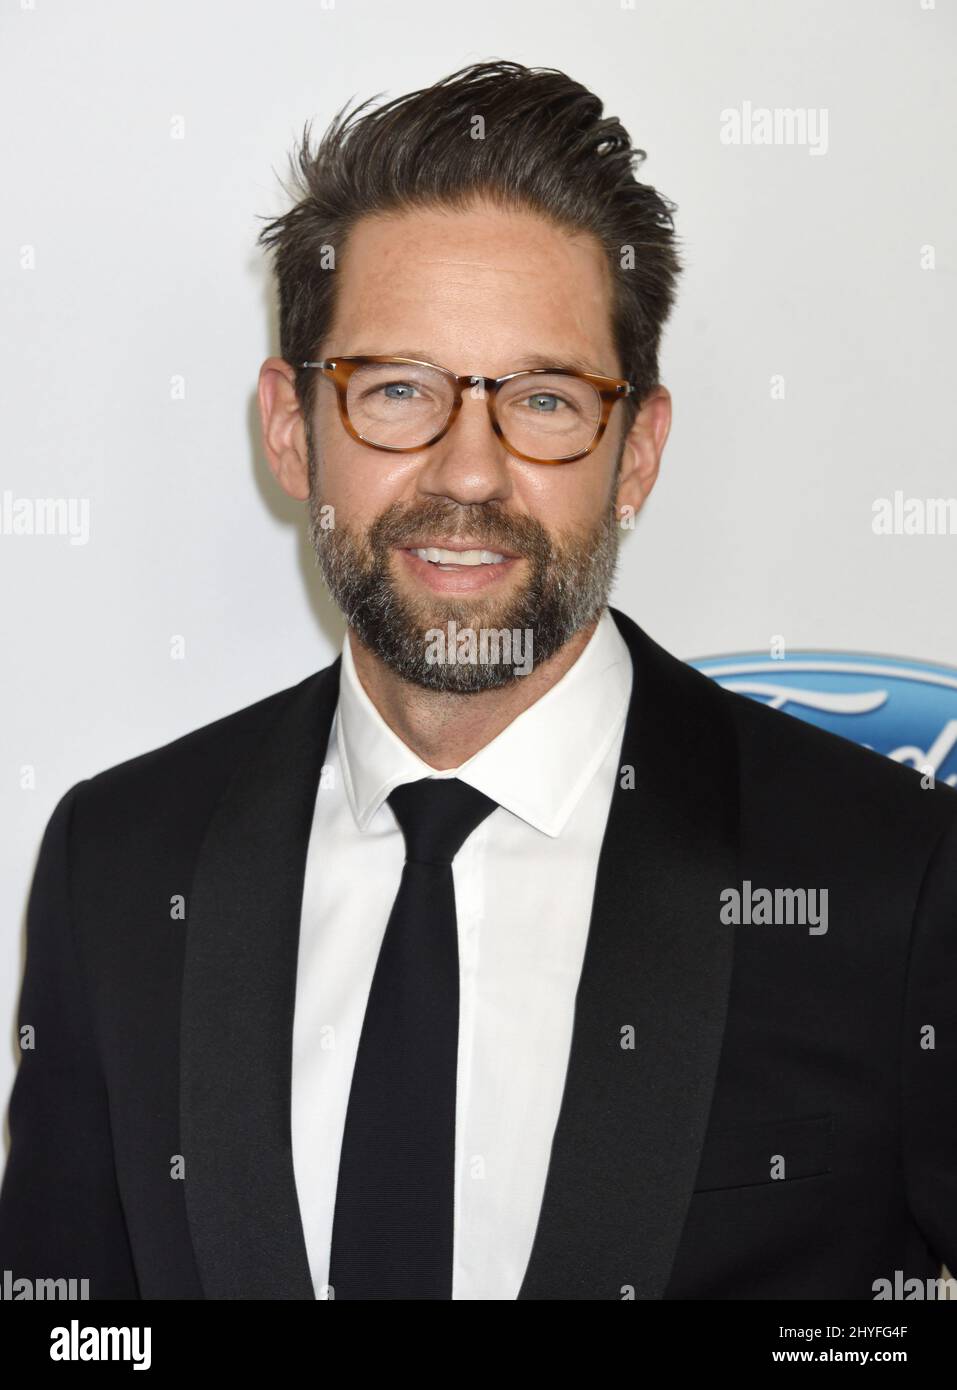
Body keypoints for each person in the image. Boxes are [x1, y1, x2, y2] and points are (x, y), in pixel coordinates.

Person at [1, 59, 955, 1302]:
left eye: (545, 400)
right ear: (292, 428)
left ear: (637, 452)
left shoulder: (891, 880)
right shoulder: (120, 865)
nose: (468, 472)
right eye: (398, 390)